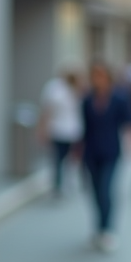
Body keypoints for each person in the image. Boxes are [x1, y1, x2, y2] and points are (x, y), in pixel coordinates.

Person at [79, 61, 131, 252]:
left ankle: (108, 230)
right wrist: (77, 152)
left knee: (105, 190)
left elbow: (128, 123)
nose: (97, 79)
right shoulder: (87, 99)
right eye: (95, 75)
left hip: (111, 152)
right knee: (95, 193)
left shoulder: (119, 98)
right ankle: (98, 229)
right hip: (91, 153)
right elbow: (84, 129)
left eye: (101, 75)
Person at [39, 68, 84, 198]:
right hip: (58, 130)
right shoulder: (54, 88)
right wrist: (43, 129)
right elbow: (47, 110)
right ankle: (58, 185)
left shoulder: (77, 89)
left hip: (73, 131)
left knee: (70, 158)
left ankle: (67, 182)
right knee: (58, 158)